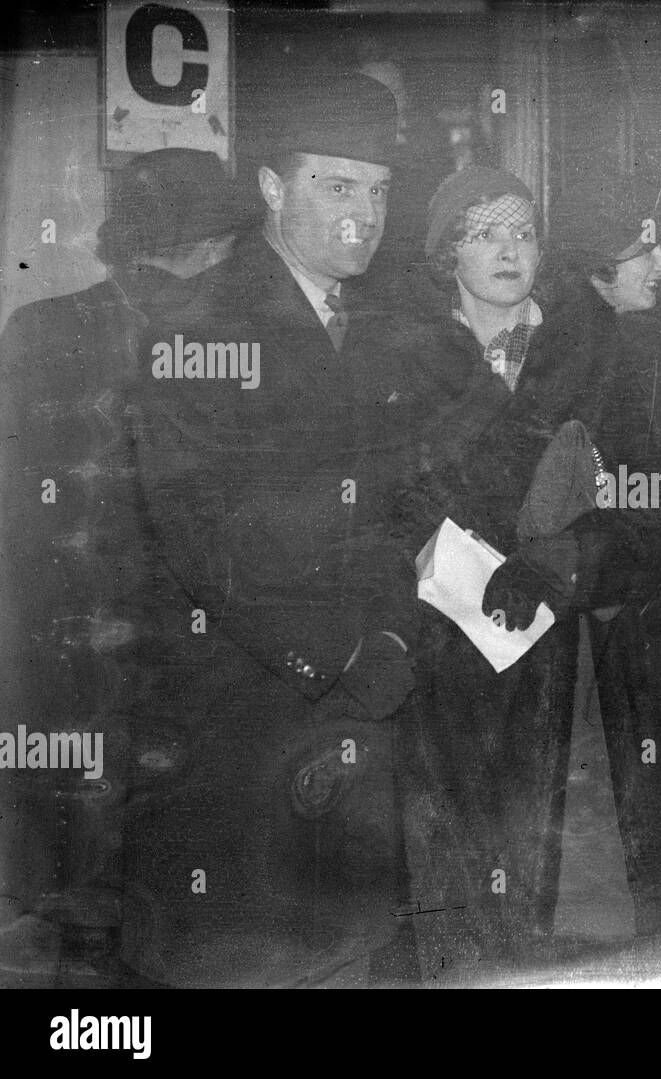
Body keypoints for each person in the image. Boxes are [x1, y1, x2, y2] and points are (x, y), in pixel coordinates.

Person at [121, 70, 418, 988]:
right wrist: (346, 652)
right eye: (336, 185)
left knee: (344, 958)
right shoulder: (201, 327)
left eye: (378, 190)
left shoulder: (370, 326)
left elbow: (393, 504)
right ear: (271, 188)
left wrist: (402, 627)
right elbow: (206, 546)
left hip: (349, 730)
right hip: (242, 728)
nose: (362, 214)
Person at [390, 167, 661, 979]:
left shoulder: (596, 353)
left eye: (522, 232)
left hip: (561, 654)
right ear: (447, 253)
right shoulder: (406, 357)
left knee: (559, 886)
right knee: (447, 869)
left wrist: (563, 561)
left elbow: (653, 510)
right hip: (440, 651)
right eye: (484, 232)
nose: (509, 249)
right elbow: (376, 500)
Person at [0, 148, 244, 984]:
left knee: (82, 914)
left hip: (54, 667)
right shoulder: (221, 349)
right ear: (209, 245)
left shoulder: (36, 327)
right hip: (169, 673)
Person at [546, 178, 661, 940]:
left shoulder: (637, 342)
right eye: (644, 249)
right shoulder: (581, 352)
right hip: (599, 625)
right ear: (594, 269)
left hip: (632, 616)